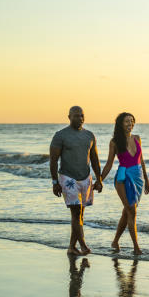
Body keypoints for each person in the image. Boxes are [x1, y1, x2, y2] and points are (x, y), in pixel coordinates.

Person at [49, 105, 104, 255]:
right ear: (69, 117)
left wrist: (99, 179)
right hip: (68, 178)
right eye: (76, 116)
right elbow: (53, 160)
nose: (80, 118)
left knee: (80, 214)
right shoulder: (60, 135)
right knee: (76, 212)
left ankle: (71, 247)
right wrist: (55, 182)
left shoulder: (90, 136)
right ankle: (83, 245)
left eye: (82, 115)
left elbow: (94, 159)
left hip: (86, 178)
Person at [99, 111, 149, 255]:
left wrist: (146, 180)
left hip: (138, 177)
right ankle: (136, 247)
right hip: (123, 177)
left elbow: (142, 160)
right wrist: (99, 180)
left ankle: (115, 241)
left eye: (132, 121)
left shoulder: (137, 138)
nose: (130, 124)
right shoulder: (114, 142)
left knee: (127, 211)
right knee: (131, 210)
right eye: (127, 121)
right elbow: (109, 164)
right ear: (120, 124)